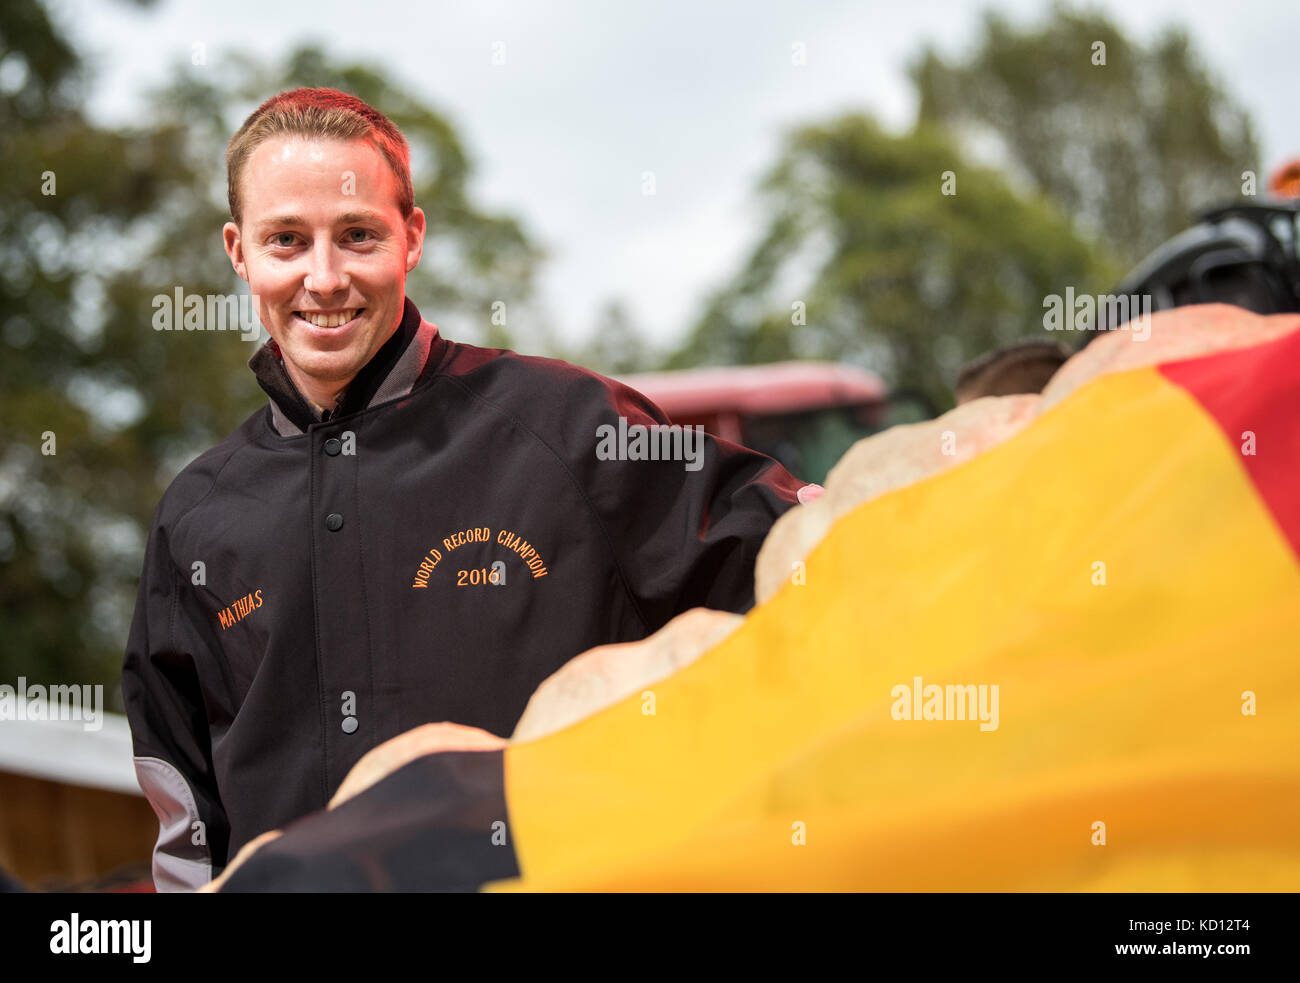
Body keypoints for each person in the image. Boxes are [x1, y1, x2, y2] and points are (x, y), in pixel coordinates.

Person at [121, 87, 820, 892]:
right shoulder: (195, 517)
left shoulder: (567, 426)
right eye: (287, 241)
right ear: (238, 252)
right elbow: (187, 817)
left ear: (411, 237)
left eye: (357, 235)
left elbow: (815, 558)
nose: (324, 277)